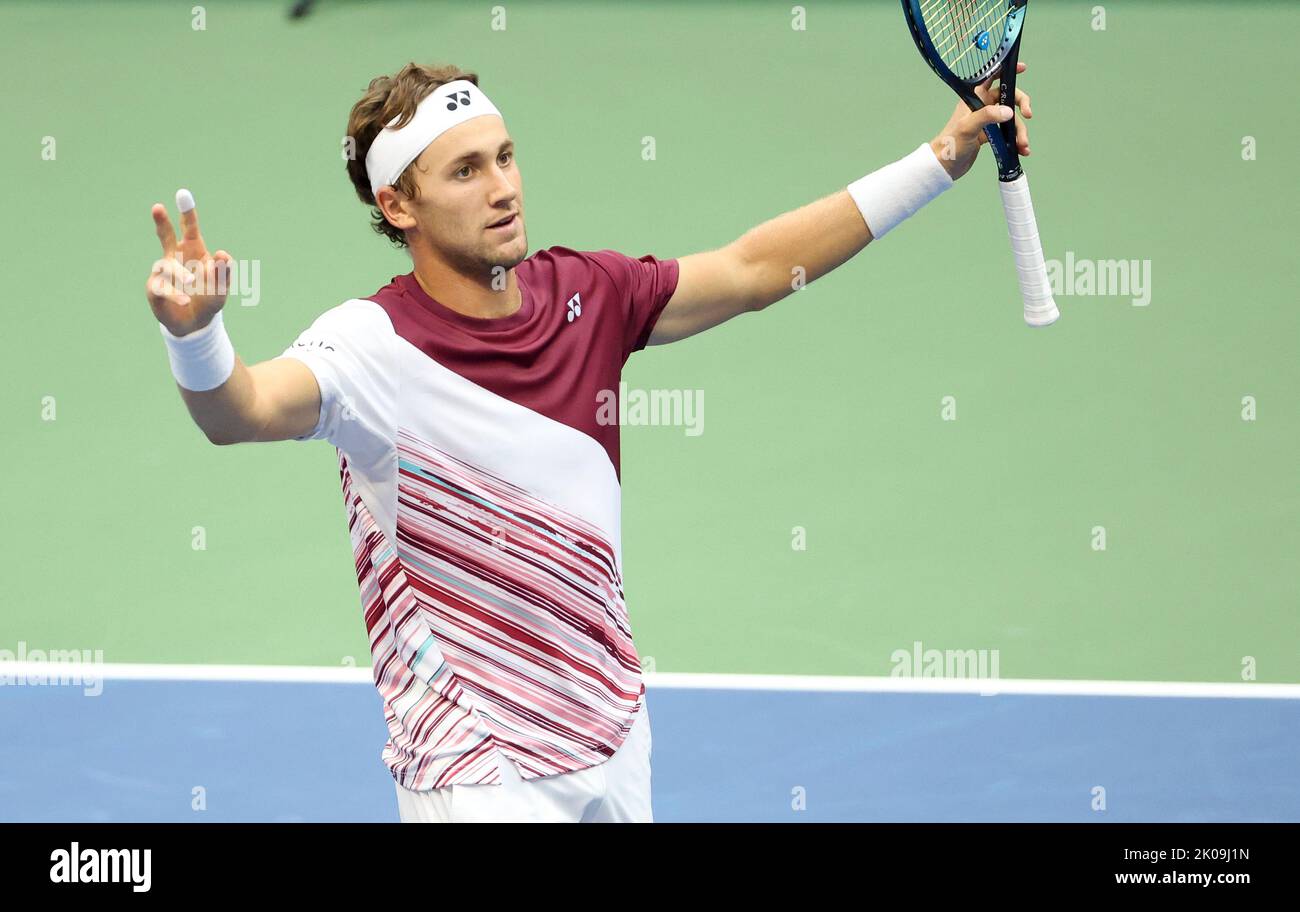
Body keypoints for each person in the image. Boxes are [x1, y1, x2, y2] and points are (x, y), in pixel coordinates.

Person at [144, 62, 1032, 823]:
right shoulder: (369, 348)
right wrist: (196, 339)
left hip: (610, 730)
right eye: (464, 172)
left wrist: (942, 159)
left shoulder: (588, 293)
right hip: (475, 765)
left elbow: (756, 269)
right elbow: (243, 411)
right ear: (397, 203)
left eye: (505, 157)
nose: (502, 187)